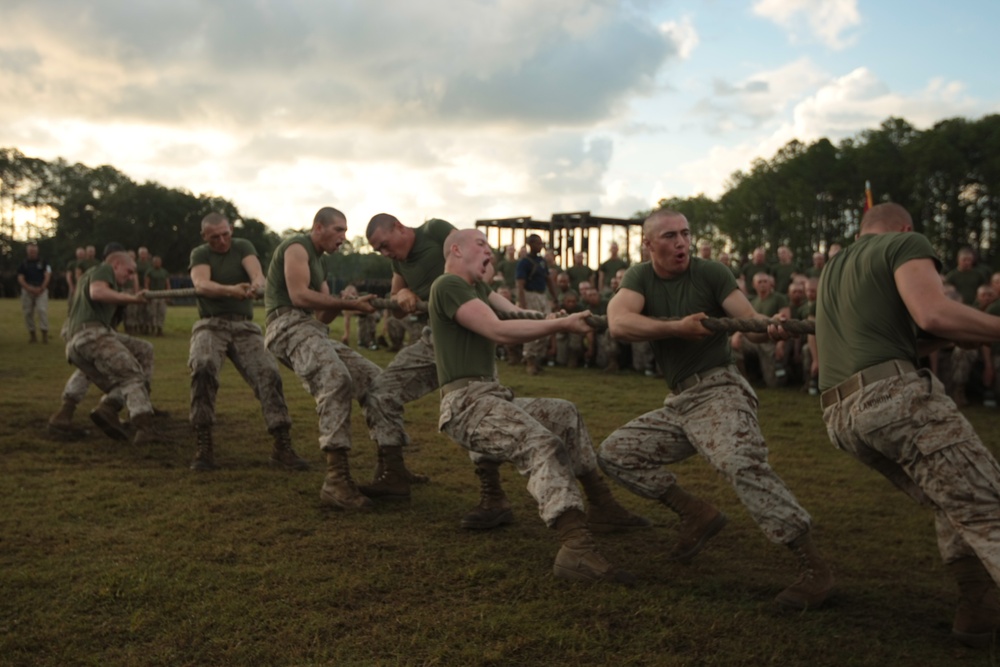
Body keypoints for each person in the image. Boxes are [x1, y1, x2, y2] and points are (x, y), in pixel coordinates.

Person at [597, 209, 833, 610]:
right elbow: (619, 325)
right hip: (680, 402)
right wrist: (676, 328)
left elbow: (749, 321)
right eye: (670, 236)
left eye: (686, 234)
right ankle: (697, 514)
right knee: (616, 454)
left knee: (740, 462)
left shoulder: (711, 273)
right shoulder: (640, 278)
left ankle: (815, 569)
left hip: (720, 388)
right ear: (648, 245)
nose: (681, 243)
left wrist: (767, 327)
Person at [817, 202, 1000, 647]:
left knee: (951, 496)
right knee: (989, 507)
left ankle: (975, 611)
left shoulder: (832, 271)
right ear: (903, 229)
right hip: (895, 400)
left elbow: (901, 339)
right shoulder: (906, 242)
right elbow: (933, 313)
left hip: (842, 416)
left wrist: (959, 335)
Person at [429, 228, 648, 583]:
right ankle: (575, 547)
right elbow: (499, 330)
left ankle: (603, 506)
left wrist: (548, 318)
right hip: (465, 405)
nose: (489, 250)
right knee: (541, 444)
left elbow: (515, 313)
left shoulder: (477, 289)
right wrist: (560, 324)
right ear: (456, 249)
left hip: (490, 397)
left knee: (564, 412)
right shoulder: (448, 286)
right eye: (481, 243)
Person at [264, 207, 410, 511]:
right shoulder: (296, 247)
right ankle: (336, 482)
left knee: (375, 380)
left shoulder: (320, 264)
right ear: (318, 227)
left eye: (345, 231)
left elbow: (322, 314)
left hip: (310, 328)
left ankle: (391, 470)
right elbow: (299, 296)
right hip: (287, 326)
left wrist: (346, 302)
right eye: (339, 230)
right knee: (335, 379)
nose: (344, 237)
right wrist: (349, 303)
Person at [187, 212, 308, 472]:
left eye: (225, 234)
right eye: (214, 237)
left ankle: (282, 445)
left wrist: (255, 285)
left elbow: (258, 275)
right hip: (211, 323)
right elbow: (201, 285)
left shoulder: (242, 246)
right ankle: (203, 444)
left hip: (244, 324)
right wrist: (231, 290)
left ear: (231, 229)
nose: (221, 241)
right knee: (204, 366)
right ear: (204, 237)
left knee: (268, 372)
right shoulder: (200, 253)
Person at [63, 249, 161, 445]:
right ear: (116, 265)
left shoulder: (89, 278)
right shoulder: (103, 270)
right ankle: (144, 428)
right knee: (131, 375)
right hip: (92, 335)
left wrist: (126, 298)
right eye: (129, 271)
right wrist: (133, 299)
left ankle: (70, 414)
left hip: (76, 343)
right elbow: (98, 292)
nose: (131, 276)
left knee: (143, 350)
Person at [516, 234, 557, 375]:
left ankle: (538, 359)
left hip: (542, 295)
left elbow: (548, 279)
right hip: (530, 295)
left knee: (547, 326)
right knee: (532, 328)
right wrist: (522, 303)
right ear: (531, 244)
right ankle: (530, 360)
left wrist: (555, 297)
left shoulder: (542, 261)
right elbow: (520, 284)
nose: (541, 246)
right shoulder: (524, 262)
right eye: (538, 243)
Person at [17, 243, 52, 343]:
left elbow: (48, 275)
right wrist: (29, 288)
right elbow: (20, 278)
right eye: (30, 251)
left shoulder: (44, 263)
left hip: (41, 289)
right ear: (27, 252)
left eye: (34, 251)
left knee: (42, 310)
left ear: (37, 251)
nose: (32, 253)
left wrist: (41, 288)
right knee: (28, 312)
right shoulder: (23, 264)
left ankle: (44, 334)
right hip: (28, 290)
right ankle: (32, 335)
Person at [145, 255, 170, 336]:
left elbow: (167, 283)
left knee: (161, 312)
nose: (157, 263)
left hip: (162, 294)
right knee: (152, 313)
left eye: (158, 262)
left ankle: (160, 328)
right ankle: (152, 328)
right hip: (153, 294)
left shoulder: (164, 272)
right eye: (155, 262)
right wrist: (148, 294)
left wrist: (168, 294)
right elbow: (147, 283)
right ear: (153, 263)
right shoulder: (150, 272)